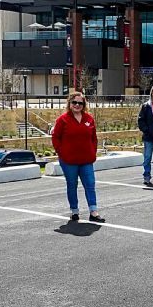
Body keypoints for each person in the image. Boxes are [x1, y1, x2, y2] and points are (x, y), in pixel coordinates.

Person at [51, 90, 105, 223]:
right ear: (69, 103)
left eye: (80, 103)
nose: (77, 105)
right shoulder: (62, 120)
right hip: (69, 161)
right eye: (74, 102)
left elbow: (94, 138)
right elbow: (56, 137)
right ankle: (74, 211)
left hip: (86, 160)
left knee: (90, 184)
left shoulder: (89, 119)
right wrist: (61, 152)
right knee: (72, 185)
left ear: (84, 104)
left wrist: (93, 151)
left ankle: (93, 211)